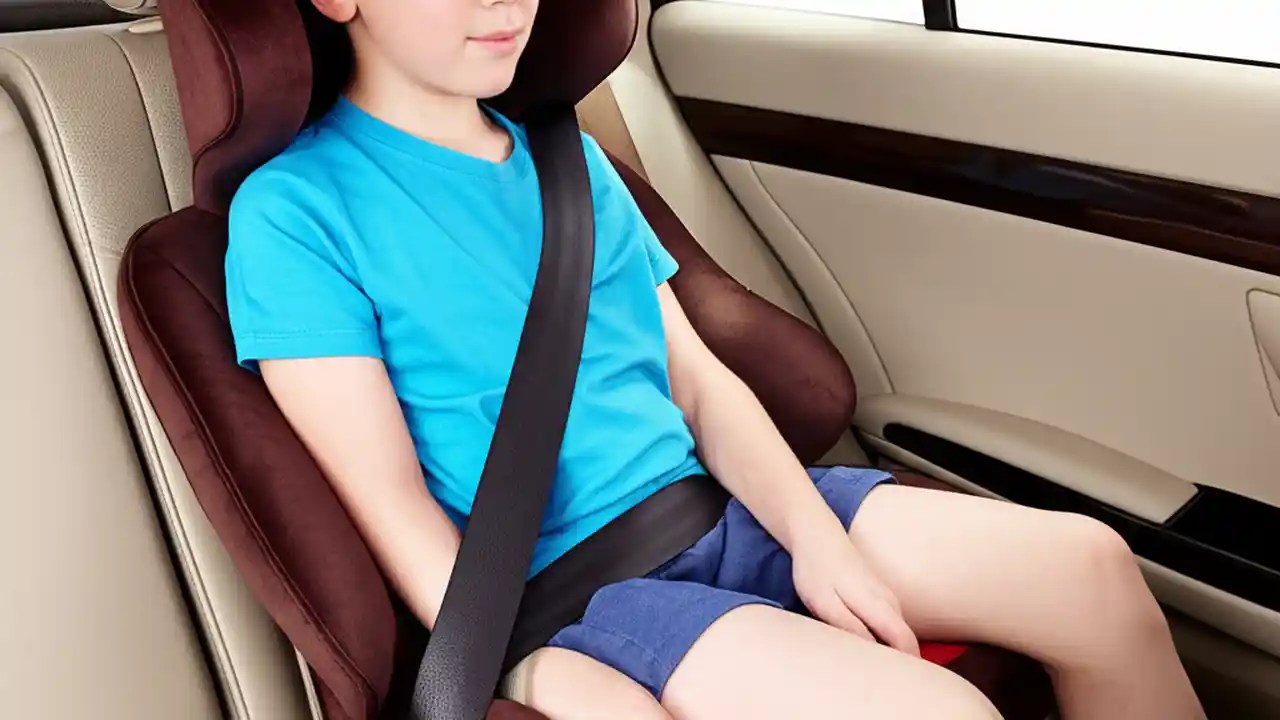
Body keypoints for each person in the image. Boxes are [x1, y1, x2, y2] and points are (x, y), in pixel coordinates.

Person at [224, 1, 1206, 718]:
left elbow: (696, 380)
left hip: (719, 512)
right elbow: (388, 503)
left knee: (1088, 568)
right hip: (581, 590)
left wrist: (818, 542)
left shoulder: (572, 166)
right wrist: (508, 662)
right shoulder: (295, 214)